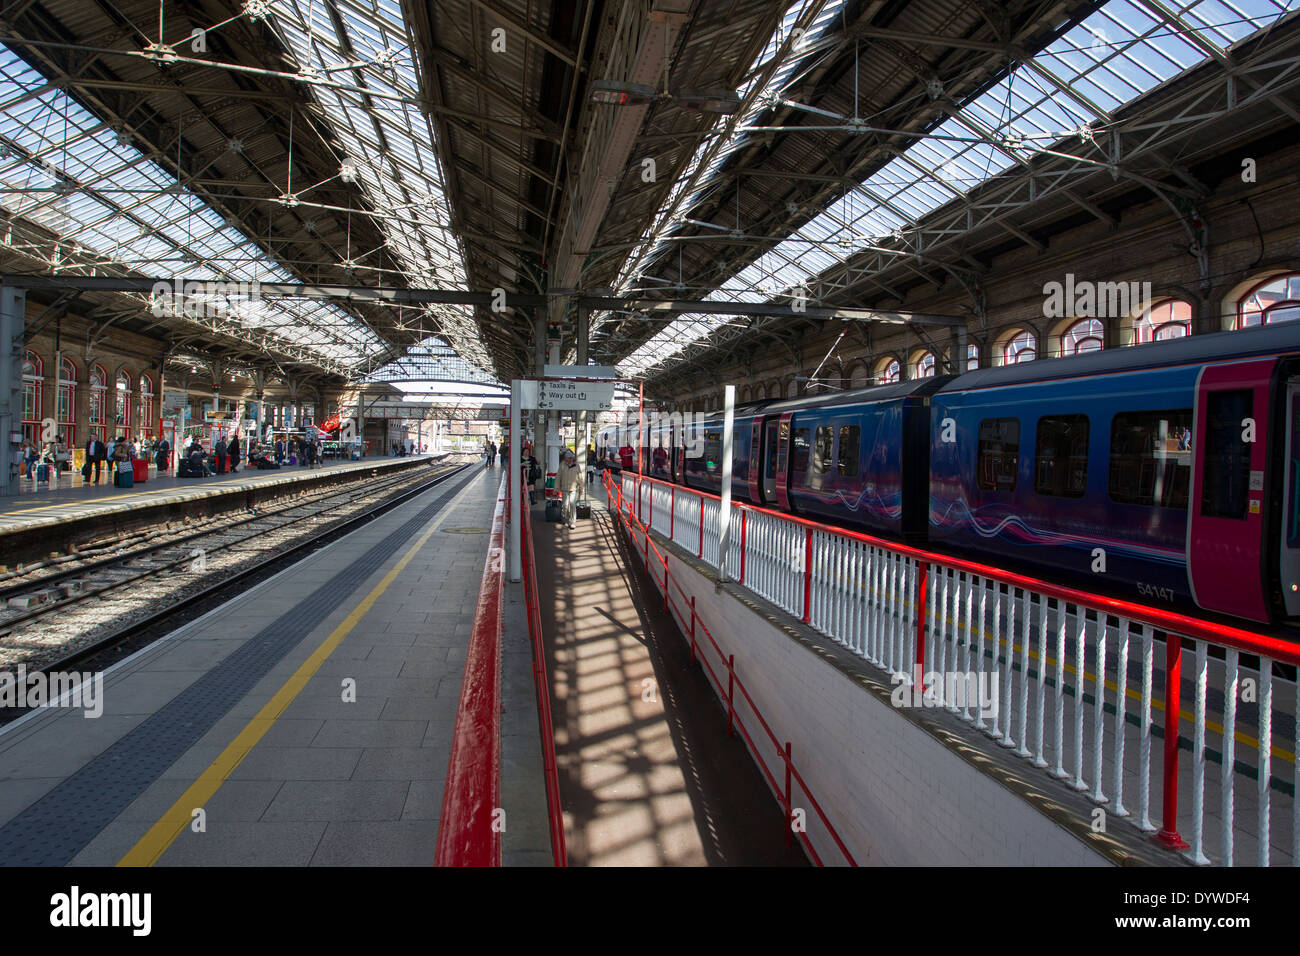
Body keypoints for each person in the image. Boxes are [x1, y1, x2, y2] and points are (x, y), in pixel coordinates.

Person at [557, 449, 583, 530]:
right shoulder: (562, 465)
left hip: (574, 489)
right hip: (564, 488)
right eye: (567, 458)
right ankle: (565, 517)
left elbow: (580, 478)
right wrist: (556, 488)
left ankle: (572, 522)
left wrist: (581, 488)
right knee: (565, 505)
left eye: (569, 458)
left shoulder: (577, 466)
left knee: (572, 505)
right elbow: (558, 477)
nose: (568, 459)